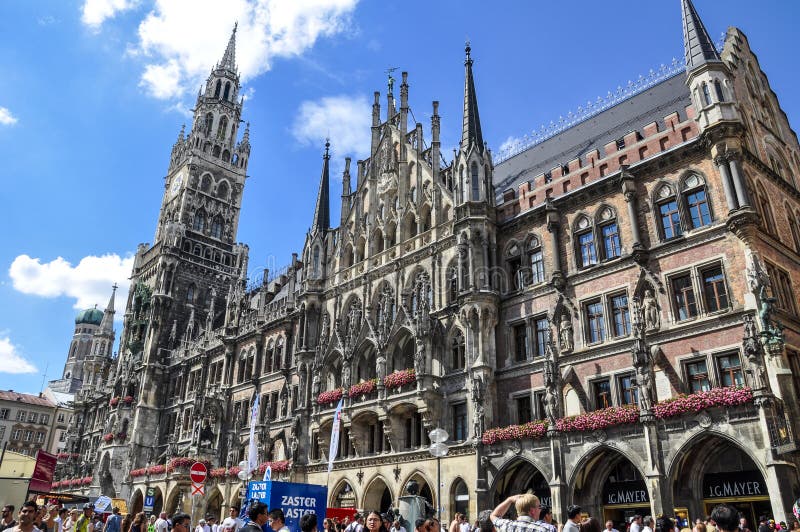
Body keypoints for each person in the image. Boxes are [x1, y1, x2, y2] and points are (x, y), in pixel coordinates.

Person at [490, 493, 556, 532]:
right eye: (539, 507)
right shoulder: (546, 529)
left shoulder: (507, 526)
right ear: (532, 511)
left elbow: (493, 515)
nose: (540, 510)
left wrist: (509, 500)